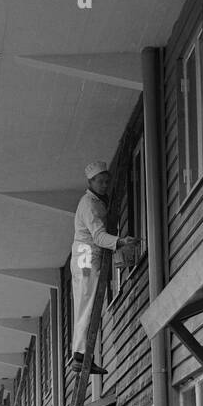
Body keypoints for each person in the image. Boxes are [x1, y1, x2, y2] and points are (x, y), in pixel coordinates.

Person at [71, 161, 138, 377]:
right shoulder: (88, 204)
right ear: (90, 182)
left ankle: (82, 355)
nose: (104, 185)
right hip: (85, 255)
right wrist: (120, 241)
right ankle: (81, 355)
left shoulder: (98, 201)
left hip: (87, 255)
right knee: (87, 303)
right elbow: (99, 236)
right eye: (100, 181)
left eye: (106, 181)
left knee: (87, 303)